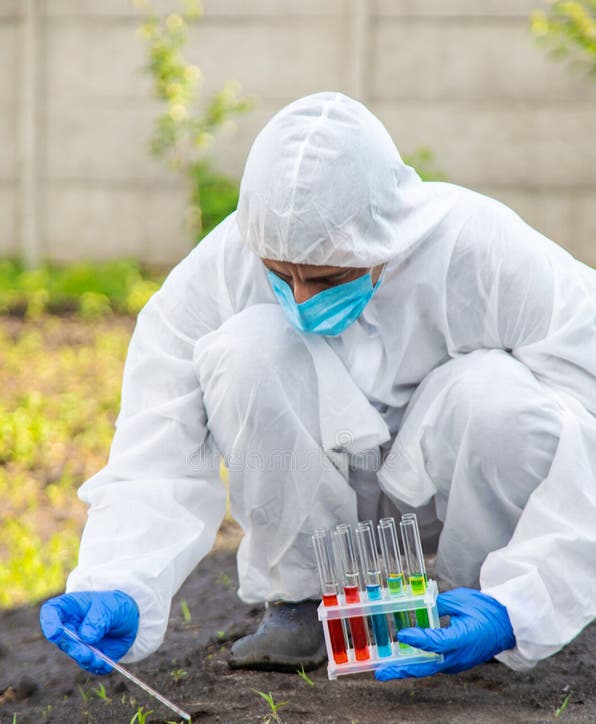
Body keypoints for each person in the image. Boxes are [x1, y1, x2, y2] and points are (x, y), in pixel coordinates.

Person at [40, 92, 596, 681]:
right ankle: (301, 603)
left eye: (329, 278)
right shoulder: (216, 272)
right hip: (305, 484)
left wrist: (526, 601)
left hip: (445, 490)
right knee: (245, 348)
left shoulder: (481, 250)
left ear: (389, 240)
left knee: (496, 396)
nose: (302, 299)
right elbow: (158, 441)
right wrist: (120, 579)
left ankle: (473, 599)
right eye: (281, 275)